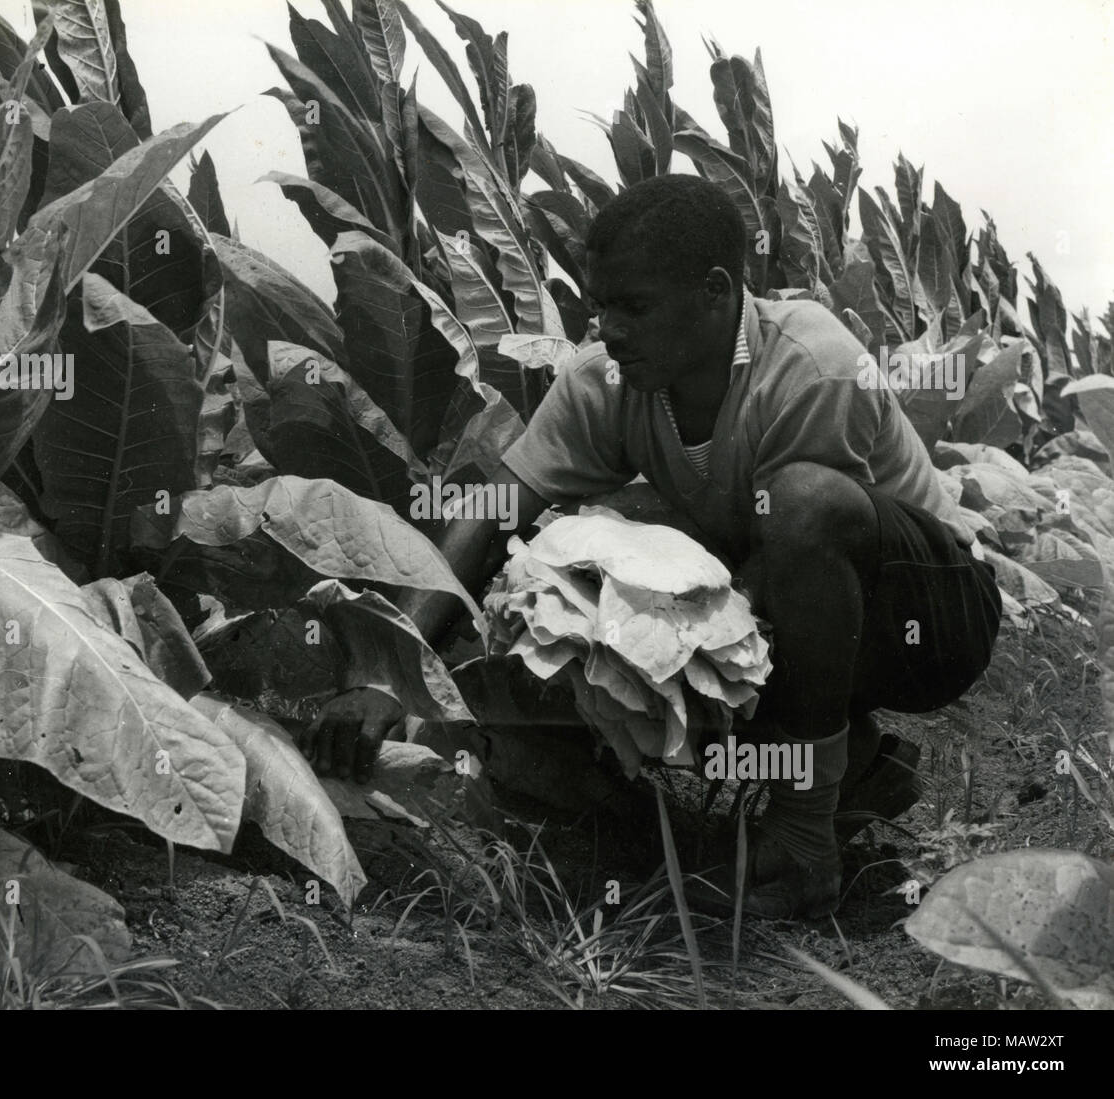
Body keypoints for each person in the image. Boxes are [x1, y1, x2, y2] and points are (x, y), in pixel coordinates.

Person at [302, 173, 1003, 920]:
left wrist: (658, 651)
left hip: (931, 615)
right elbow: (496, 511)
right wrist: (390, 667)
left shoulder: (809, 366)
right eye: (600, 305)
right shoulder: (608, 380)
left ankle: (805, 836)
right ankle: (857, 769)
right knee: (587, 619)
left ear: (714, 290)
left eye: (633, 306)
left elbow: (798, 550)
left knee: (791, 515)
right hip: (818, 614)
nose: (609, 328)